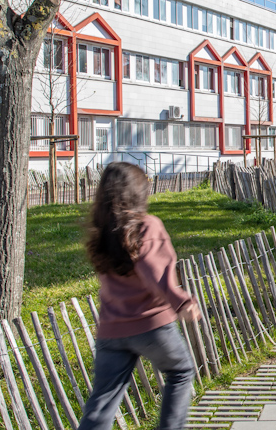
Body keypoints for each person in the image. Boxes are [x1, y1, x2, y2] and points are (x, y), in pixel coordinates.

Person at [78, 162, 202, 430]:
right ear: (138, 192)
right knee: (180, 372)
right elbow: (153, 270)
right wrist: (181, 301)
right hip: (150, 325)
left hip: (111, 331)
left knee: (102, 402)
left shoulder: (101, 234)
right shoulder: (147, 226)